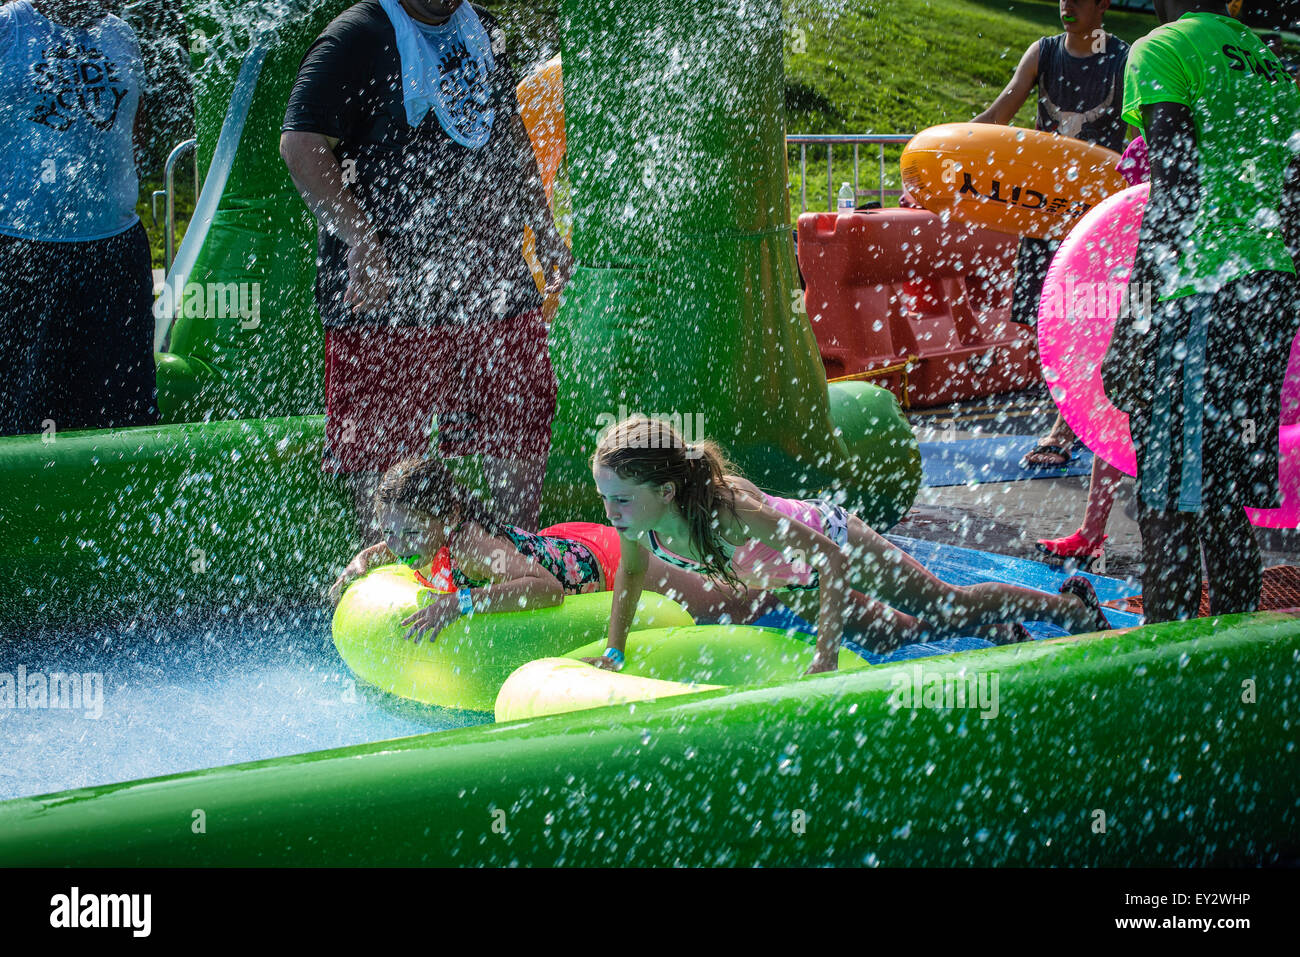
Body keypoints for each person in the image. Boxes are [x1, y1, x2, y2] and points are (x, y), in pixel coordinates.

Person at [280, 0, 572, 542]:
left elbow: (507, 134)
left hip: (493, 279)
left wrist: (542, 224)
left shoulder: (482, 28)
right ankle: (385, 576)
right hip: (384, 294)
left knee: (519, 417)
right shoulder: (355, 37)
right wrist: (360, 239)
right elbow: (300, 145)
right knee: (381, 443)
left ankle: (516, 561)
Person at [590, 417, 1114, 675]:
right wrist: (615, 648)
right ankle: (994, 625)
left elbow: (829, 557)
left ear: (665, 490)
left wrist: (827, 650)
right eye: (605, 498)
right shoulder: (639, 523)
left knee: (944, 605)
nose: (611, 513)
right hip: (789, 577)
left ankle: (1071, 608)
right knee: (891, 639)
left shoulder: (729, 512)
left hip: (837, 543)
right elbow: (632, 576)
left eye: (620, 499)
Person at [1104, 0, 1300, 621]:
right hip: (1269, 291)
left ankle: (1164, 680)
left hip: (1201, 297)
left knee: (1167, 506)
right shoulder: (1268, 63)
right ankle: (1240, 675)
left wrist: (1132, 325)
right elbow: (1293, 202)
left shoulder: (1161, 48)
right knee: (1222, 504)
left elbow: (1176, 192)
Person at [330, 457, 768, 639]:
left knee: (730, 602)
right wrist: (364, 559)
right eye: (390, 531)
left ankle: (785, 570)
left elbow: (545, 589)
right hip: (558, 543)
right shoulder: (419, 539)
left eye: (409, 532)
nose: (399, 545)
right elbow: (392, 547)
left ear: (445, 520)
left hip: (600, 561)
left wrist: (459, 603)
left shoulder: (471, 548)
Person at [972, 0, 1130, 469]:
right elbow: (1000, 112)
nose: (1067, 4)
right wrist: (938, 163)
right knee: (1048, 323)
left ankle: (1069, 425)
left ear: (1104, 3)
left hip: (1099, 219)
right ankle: (1068, 413)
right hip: (1046, 212)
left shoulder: (1126, 59)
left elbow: (1140, 135)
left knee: (1092, 319)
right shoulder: (1042, 53)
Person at [0, 0, 156, 437]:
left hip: (115, 250)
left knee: (124, 407)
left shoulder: (121, 35)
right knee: (21, 409)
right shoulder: (10, 28)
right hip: (23, 251)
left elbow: (133, 126)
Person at [1036, 135, 1150, 569]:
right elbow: (1126, 216)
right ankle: (1091, 532)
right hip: (1143, 284)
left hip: (1178, 287)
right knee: (1112, 409)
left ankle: (1185, 538)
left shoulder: (1194, 132)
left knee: (1147, 411)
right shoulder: (1146, 143)